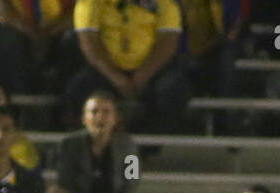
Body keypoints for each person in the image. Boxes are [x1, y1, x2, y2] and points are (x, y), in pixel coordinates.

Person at [67, 0, 190, 131]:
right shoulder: (90, 2)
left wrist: (142, 76)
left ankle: (148, 146)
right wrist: (117, 78)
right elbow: (89, 42)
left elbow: (169, 40)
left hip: (151, 70)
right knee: (78, 89)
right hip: (106, 71)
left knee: (174, 90)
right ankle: (91, 146)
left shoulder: (164, 3)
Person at [50, 91, 138, 193]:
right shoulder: (68, 145)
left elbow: (131, 185)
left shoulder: (129, 146)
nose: (100, 117)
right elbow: (65, 186)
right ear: (84, 118)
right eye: (94, 111)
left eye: (106, 112)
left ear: (115, 118)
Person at [0, 0, 74, 95]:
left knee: (73, 39)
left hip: (59, 29)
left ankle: (62, 96)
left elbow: (77, 11)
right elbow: (2, 7)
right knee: (8, 39)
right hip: (18, 27)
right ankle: (19, 97)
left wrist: (50, 32)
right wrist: (30, 32)